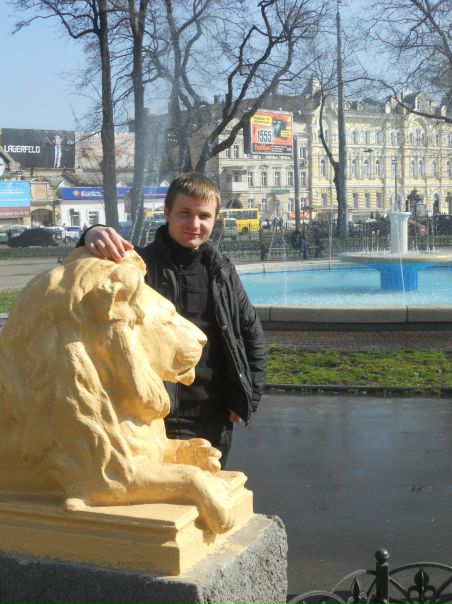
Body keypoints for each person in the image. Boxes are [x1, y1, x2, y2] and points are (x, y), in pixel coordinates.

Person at [78, 172, 267, 468]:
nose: (194, 224)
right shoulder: (140, 267)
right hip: (156, 416)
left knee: (211, 492)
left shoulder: (222, 272)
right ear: (167, 213)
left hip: (215, 414)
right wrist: (91, 233)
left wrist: (247, 396)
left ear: (215, 219)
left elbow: (251, 334)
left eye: (204, 216)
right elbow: (87, 278)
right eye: (185, 213)